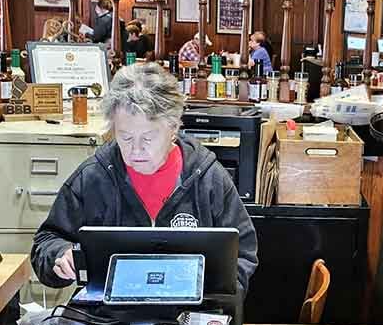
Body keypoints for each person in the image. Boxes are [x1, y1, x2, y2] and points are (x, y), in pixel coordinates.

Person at [31, 63, 258, 294]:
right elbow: (47, 241)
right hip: (110, 310)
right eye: (125, 137)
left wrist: (215, 295)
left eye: (148, 138)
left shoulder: (208, 178)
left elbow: (244, 252)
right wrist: (61, 256)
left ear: (173, 128)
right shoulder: (94, 176)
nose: (136, 150)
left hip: (191, 307)